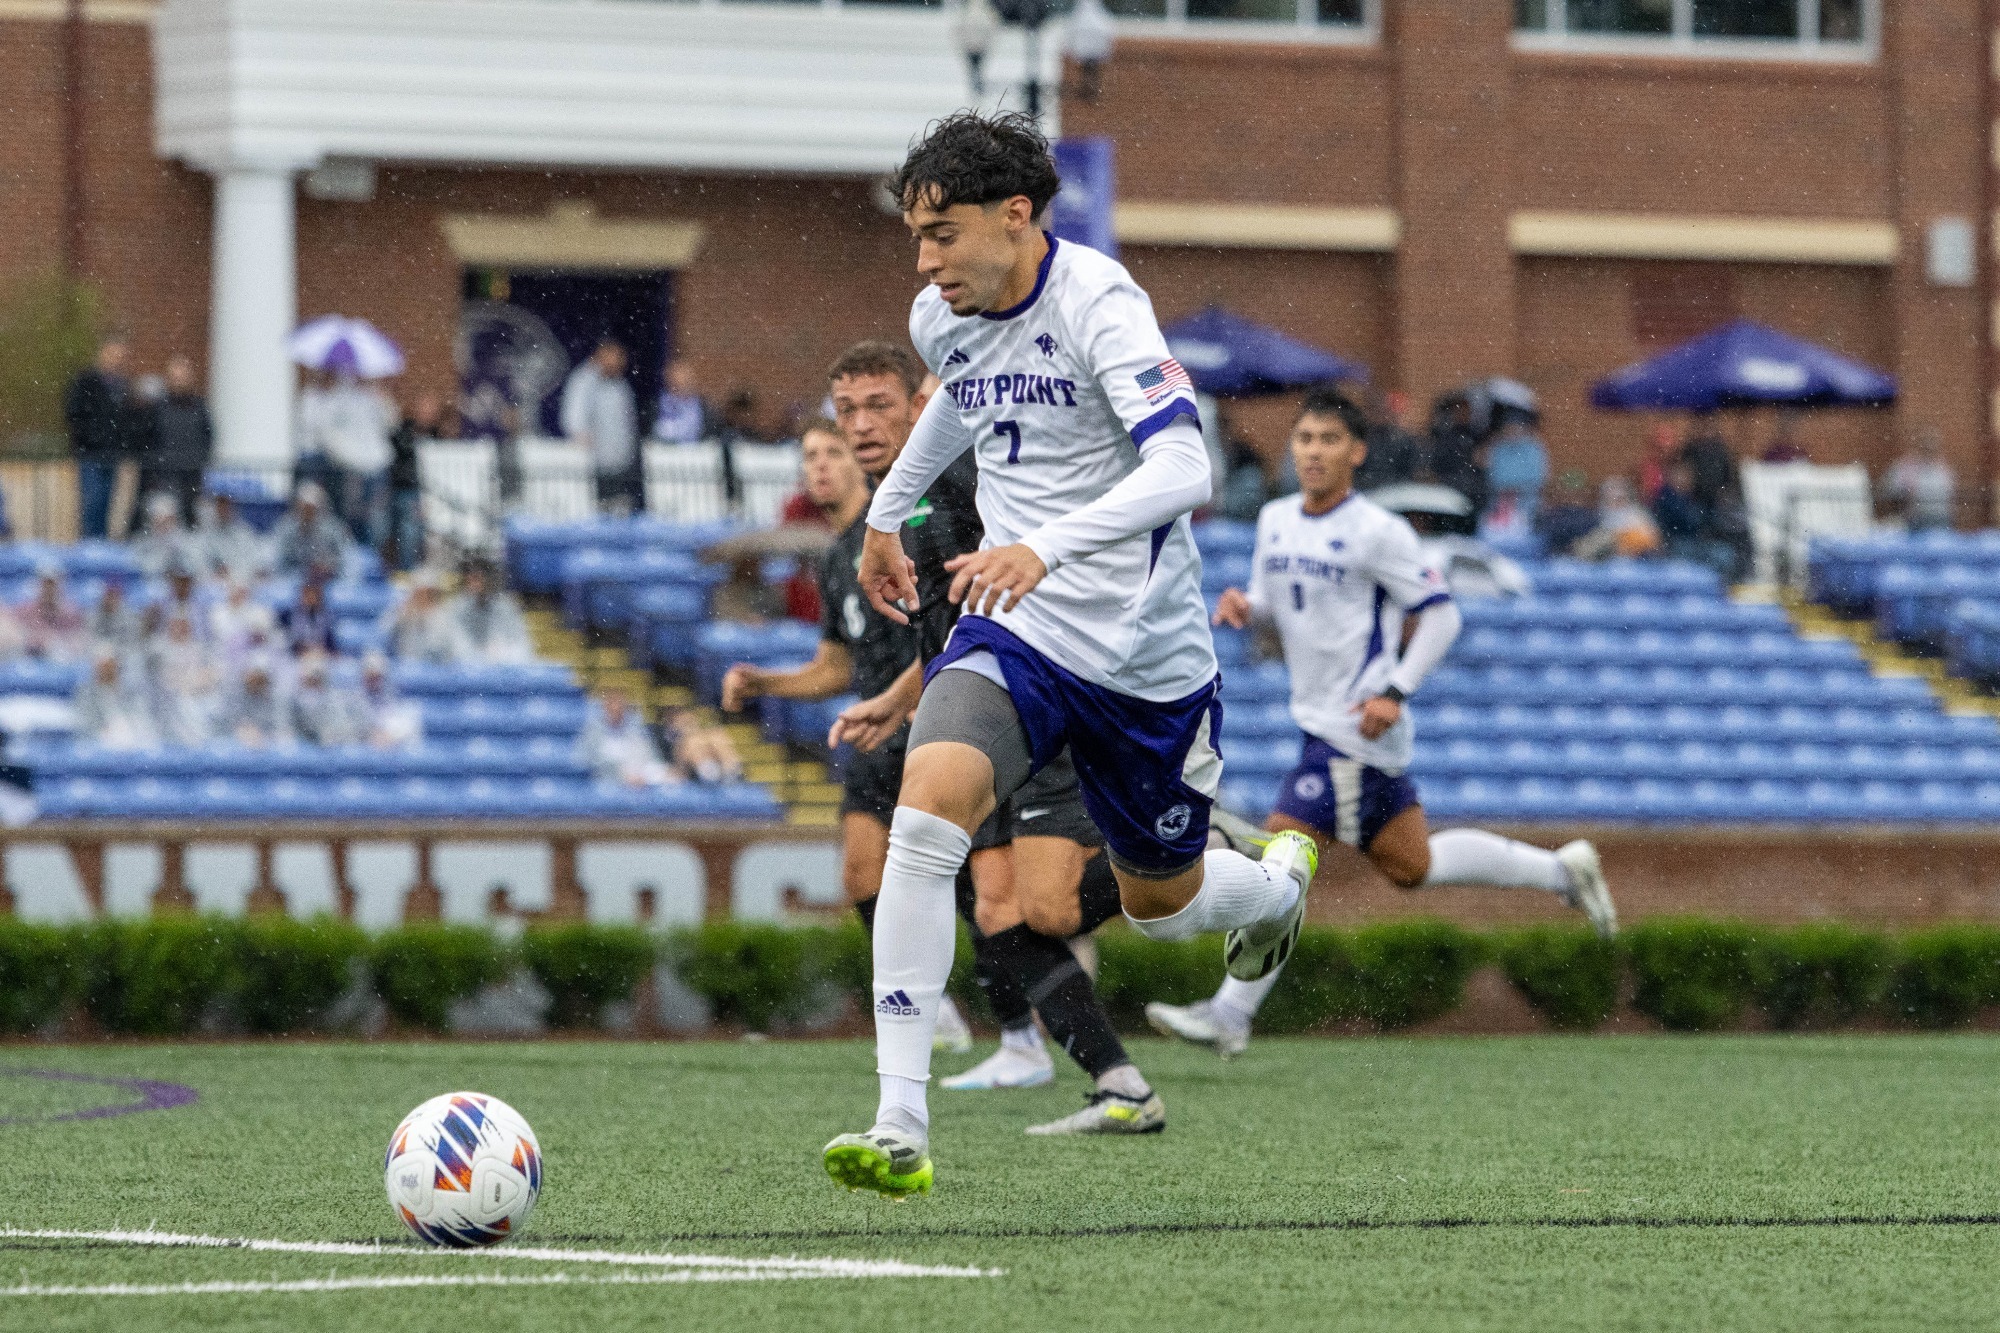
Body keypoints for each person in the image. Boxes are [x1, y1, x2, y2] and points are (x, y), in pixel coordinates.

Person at [820, 112, 1312, 1198]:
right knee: (925, 806)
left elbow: (1187, 468)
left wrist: (1043, 545)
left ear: (1015, 215)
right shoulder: (939, 317)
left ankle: (1271, 892)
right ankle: (899, 1117)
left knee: (1161, 905)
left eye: (941, 233)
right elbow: (955, 398)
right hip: (1020, 633)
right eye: (913, 236)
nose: (923, 259)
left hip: (1146, 659)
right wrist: (884, 517)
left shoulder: (1100, 304)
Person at [1144, 390, 1617, 1060]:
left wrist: (1396, 688)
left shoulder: (1378, 530)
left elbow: (1442, 613)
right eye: (1304, 438)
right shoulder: (1276, 518)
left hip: (1354, 729)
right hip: (1323, 724)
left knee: (1285, 858)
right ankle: (1561, 871)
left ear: (1357, 452)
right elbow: (1279, 603)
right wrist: (1247, 607)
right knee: (1410, 864)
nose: (1312, 450)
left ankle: (1229, 1012)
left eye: (1328, 439)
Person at [818, 342, 1162, 1125]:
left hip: (1037, 697)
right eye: (847, 410)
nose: (863, 424)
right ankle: (1115, 1082)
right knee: (1011, 913)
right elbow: (950, 625)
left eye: (879, 404)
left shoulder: (969, 476)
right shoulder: (887, 511)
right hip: (974, 708)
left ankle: (1197, 862)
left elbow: (1045, 568)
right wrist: (900, 697)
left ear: (921, 404)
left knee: (1041, 907)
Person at [64, 335, 138, 540]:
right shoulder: (86, 381)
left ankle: (99, 547)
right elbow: (74, 414)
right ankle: (90, 549)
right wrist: (89, 439)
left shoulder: (123, 386)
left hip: (111, 455)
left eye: (120, 356)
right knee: (91, 507)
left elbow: (128, 421)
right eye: (112, 354)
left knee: (106, 507)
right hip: (91, 454)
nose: (116, 360)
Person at [319, 363, 396, 548]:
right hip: (350, 469)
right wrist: (347, 457)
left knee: (378, 518)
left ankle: (371, 554)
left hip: (376, 467)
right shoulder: (336, 399)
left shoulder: (374, 397)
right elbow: (327, 434)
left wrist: (384, 399)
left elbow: (391, 424)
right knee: (350, 516)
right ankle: (351, 554)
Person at [560, 340, 641, 516]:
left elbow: (627, 422)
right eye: (615, 357)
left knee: (619, 507)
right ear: (601, 356)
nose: (620, 363)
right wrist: (580, 435)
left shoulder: (621, 385)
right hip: (594, 463)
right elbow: (573, 417)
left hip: (620, 462)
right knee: (598, 510)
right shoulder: (584, 381)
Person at [142, 354, 214, 526]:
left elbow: (208, 437)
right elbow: (150, 439)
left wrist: (199, 460)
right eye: (175, 376)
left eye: (183, 376)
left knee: (191, 524)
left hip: (191, 477)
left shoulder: (199, 407)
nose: (179, 381)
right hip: (165, 476)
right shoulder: (158, 408)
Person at [387, 392, 446, 571]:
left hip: (429, 495)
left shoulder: (438, 438)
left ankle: (417, 571)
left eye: (431, 411)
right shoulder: (402, 433)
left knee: (419, 529)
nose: (427, 414)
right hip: (402, 491)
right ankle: (402, 570)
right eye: (424, 409)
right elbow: (396, 465)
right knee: (402, 527)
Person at [146, 608, 224, 746]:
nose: (181, 628)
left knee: (215, 704)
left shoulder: (198, 648)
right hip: (172, 698)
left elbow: (213, 673)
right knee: (185, 704)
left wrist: (194, 682)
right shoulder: (160, 649)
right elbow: (163, 678)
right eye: (177, 624)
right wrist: (188, 682)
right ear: (170, 626)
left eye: (184, 625)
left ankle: (209, 745)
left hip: (199, 693)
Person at [580, 686, 674, 787]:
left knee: (671, 777)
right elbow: (584, 761)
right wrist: (619, 772)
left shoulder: (636, 730)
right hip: (607, 780)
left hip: (640, 775)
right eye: (612, 705)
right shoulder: (593, 732)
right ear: (605, 707)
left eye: (620, 705)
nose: (616, 708)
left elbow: (652, 758)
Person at [447, 557, 533, 663]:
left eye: (477, 578)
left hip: (500, 670)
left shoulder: (506, 607)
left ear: (488, 580)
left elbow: (520, 646)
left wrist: (501, 651)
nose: (473, 584)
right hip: (466, 670)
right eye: (469, 580)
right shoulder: (456, 608)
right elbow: (454, 645)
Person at [74, 648, 158, 750]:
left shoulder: (130, 692)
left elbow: (140, 718)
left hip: (131, 739)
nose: (107, 671)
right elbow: (85, 723)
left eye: (110, 666)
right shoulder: (86, 693)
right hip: (101, 741)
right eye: (103, 666)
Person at [270, 482, 351, 578]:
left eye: (312, 509)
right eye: (304, 509)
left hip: (327, 580)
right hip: (294, 579)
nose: (307, 514)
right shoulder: (286, 528)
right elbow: (278, 561)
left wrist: (328, 566)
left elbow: (346, 560)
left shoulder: (333, 529)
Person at [1883, 427, 1955, 533]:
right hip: (1914, 522)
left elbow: (1951, 497)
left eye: (1932, 444)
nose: (1929, 448)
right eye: (1925, 444)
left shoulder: (1944, 469)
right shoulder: (1904, 466)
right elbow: (1887, 491)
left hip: (1941, 521)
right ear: (1918, 445)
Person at [1483, 409, 1548, 524]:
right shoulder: (1498, 448)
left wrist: (1519, 488)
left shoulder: (1534, 448)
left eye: (1516, 427)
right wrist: (1504, 488)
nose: (1512, 431)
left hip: (1527, 501)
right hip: (1500, 500)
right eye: (1509, 427)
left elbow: (1539, 476)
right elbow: (1492, 475)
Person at [1353, 390, 1422, 493]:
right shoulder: (1362, 438)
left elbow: (1411, 470)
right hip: (1368, 490)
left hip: (1395, 491)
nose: (1378, 415)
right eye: (1373, 410)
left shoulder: (1402, 440)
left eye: (1382, 411)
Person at [18, 565, 86, 662]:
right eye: (45, 584)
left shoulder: (70, 611)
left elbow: (76, 638)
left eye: (52, 585)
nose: (49, 589)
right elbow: (20, 634)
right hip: (31, 655)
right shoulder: (26, 610)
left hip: (61, 657)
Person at [196, 492, 269, 582]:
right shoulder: (205, 534)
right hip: (214, 586)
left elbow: (254, 564)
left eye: (226, 505)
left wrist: (236, 579)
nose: (223, 510)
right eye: (220, 505)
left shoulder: (244, 533)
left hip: (243, 585)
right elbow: (201, 567)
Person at [218, 655, 289, 747]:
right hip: (237, 747)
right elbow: (227, 724)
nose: (256, 682)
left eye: (260, 678)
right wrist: (243, 730)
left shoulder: (277, 699)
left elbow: (283, 727)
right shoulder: (234, 697)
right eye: (253, 676)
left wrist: (264, 735)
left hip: (269, 747)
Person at [387, 573, 458, 663]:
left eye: (425, 593)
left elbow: (438, 646)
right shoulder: (403, 611)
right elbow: (383, 632)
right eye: (418, 593)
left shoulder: (443, 615)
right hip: (405, 663)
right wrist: (401, 615)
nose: (421, 597)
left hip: (434, 665)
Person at [129, 492, 202, 580]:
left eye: (167, 521)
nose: (164, 527)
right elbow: (137, 568)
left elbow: (196, 569)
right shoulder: (141, 542)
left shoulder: (189, 542)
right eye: (158, 522)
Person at [651, 358, 713, 445]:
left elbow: (712, 437)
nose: (680, 384)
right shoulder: (655, 406)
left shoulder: (704, 407)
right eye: (676, 380)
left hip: (697, 454)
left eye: (685, 380)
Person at [280, 575, 337, 657]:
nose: (310, 598)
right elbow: (286, 638)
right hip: (294, 654)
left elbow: (329, 642)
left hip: (318, 653)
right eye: (307, 595)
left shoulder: (326, 616)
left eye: (313, 596)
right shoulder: (287, 615)